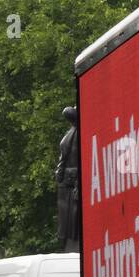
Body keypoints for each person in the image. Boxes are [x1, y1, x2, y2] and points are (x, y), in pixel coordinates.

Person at [55, 106, 80, 252]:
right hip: (66, 181)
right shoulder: (70, 135)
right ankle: (69, 242)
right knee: (67, 218)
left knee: (73, 216)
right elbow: (63, 158)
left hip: (71, 179)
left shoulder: (76, 133)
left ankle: (72, 241)